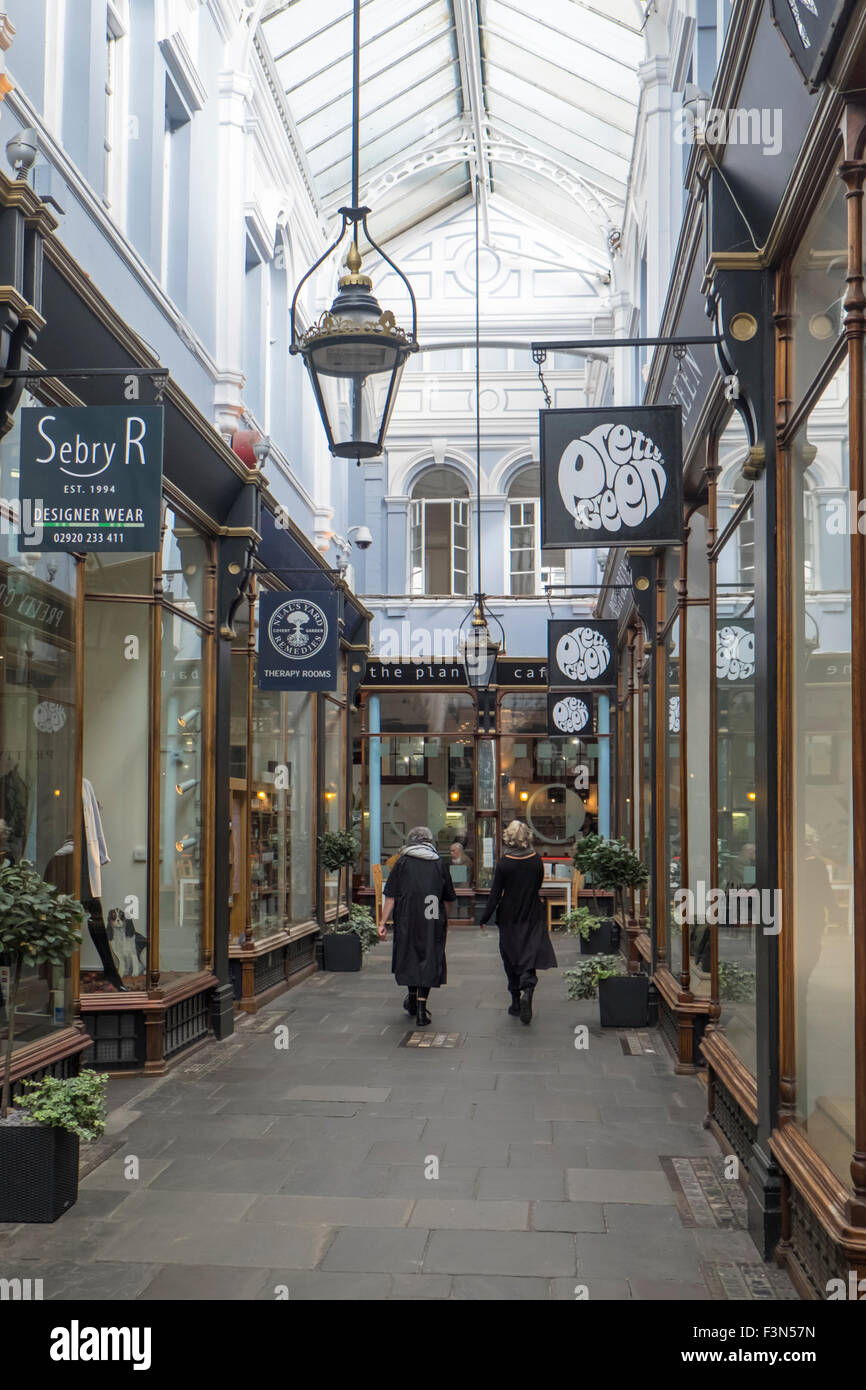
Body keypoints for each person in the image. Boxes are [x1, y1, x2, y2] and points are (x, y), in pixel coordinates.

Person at [480, 819, 557, 1025]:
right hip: (532, 912)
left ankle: (515, 1000)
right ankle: (528, 988)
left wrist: (484, 917)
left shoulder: (504, 862)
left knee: (511, 956)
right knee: (529, 953)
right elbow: (538, 884)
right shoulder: (536, 860)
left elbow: (495, 894)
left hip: (509, 916)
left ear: (509, 838)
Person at [379, 825, 456, 1027]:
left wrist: (382, 922)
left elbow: (391, 896)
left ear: (411, 841)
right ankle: (421, 1008)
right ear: (430, 842)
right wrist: (444, 919)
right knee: (429, 957)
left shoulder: (402, 862)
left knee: (409, 956)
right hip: (431, 919)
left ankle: (412, 997)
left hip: (407, 918)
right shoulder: (439, 863)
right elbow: (448, 897)